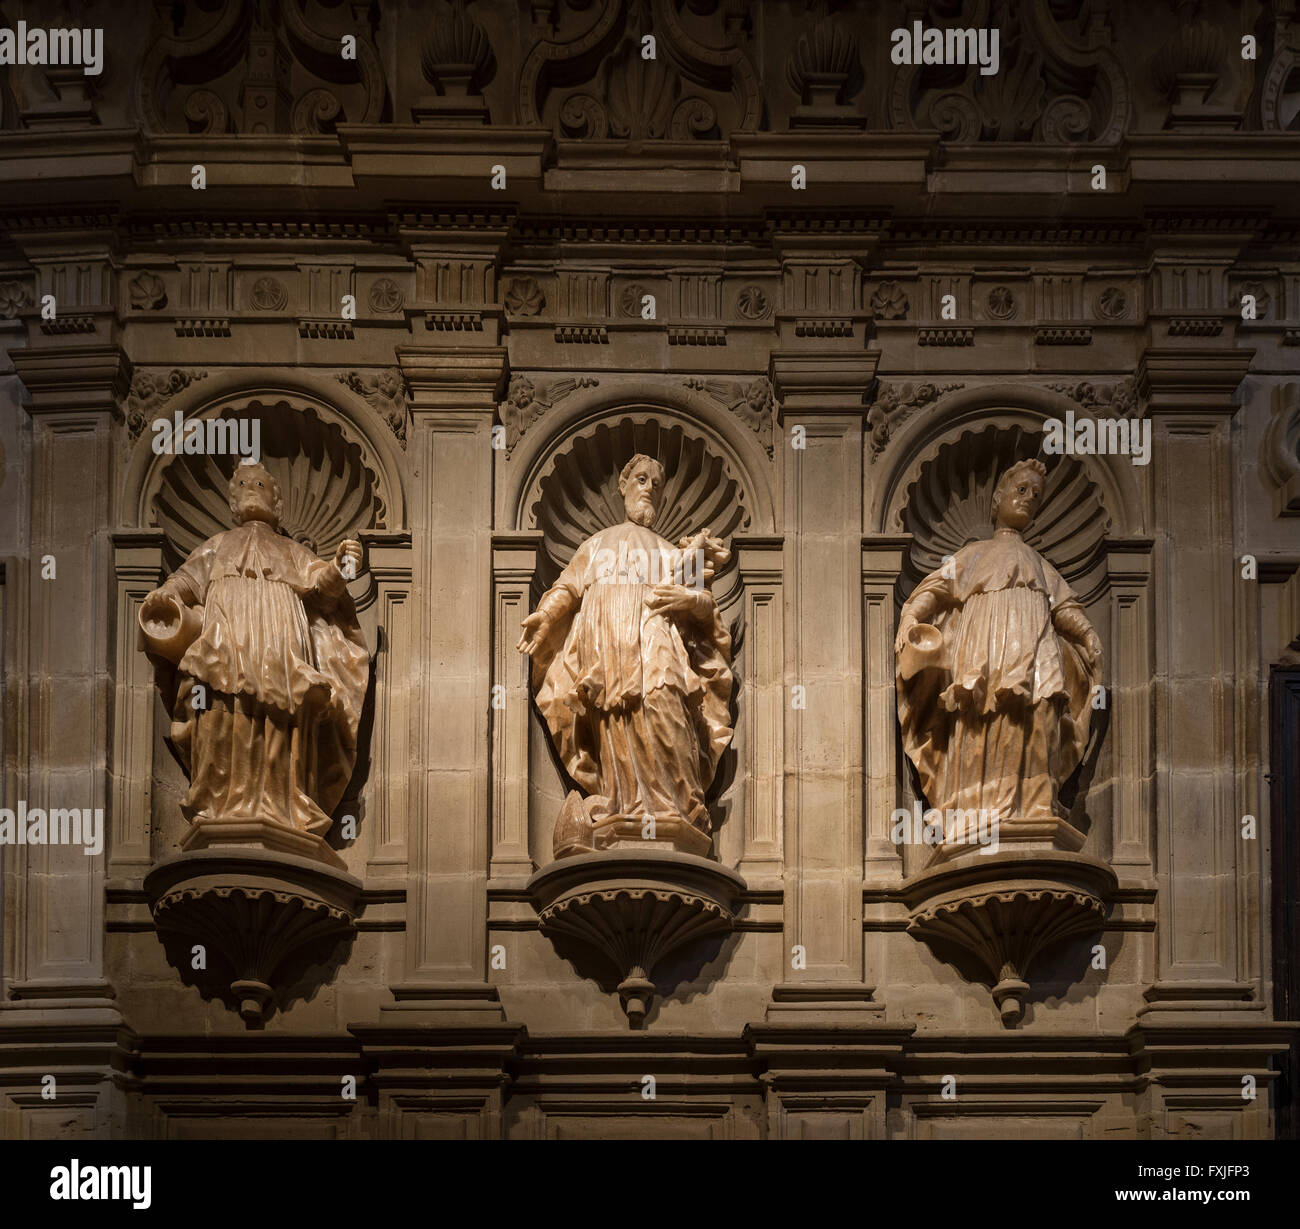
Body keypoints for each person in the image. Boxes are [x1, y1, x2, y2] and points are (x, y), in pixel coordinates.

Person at [140, 458, 368, 845]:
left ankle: (284, 808)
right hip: (223, 636)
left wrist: (341, 567)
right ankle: (218, 802)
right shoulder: (216, 547)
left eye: (260, 484)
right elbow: (185, 580)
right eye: (243, 482)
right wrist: (168, 594)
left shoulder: (292, 551)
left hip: (279, 638)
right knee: (219, 711)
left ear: (277, 503)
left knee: (281, 710)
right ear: (231, 502)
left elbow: (324, 589)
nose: (250, 487)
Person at [518, 454, 733, 857]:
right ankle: (620, 804)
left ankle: (674, 808)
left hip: (655, 646)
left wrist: (688, 596)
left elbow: (705, 608)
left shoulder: (671, 553)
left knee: (666, 707)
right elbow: (567, 587)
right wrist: (545, 616)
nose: (649, 487)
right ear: (622, 485)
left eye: (657, 483)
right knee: (614, 724)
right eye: (640, 478)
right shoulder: (596, 545)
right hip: (606, 652)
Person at [895, 458, 1102, 845]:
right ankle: (976, 804)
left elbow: (1065, 608)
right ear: (998, 498)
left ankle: (1035, 803)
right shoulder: (973, 555)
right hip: (984, 646)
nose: (1028, 499)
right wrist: (910, 619)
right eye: (1021, 490)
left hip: (1036, 643)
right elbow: (931, 591)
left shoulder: (1040, 564)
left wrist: (1087, 633)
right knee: (983, 715)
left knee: (1042, 709)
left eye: (1036, 496)